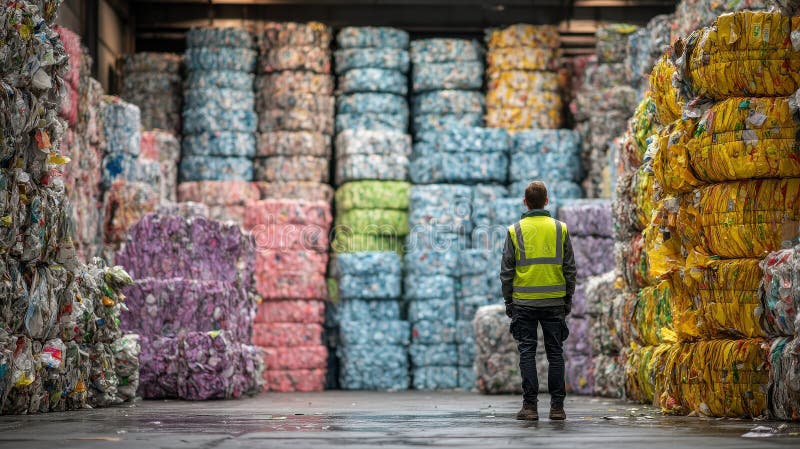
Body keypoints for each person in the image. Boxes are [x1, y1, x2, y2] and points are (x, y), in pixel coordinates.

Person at [500, 181, 577, 421]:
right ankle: (557, 408)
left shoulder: (515, 230)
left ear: (525, 202)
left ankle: (530, 407)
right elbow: (570, 269)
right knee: (555, 353)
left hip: (524, 302)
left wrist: (508, 302)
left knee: (527, 353)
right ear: (547, 201)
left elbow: (507, 272)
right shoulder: (560, 228)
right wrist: (567, 299)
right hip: (554, 302)